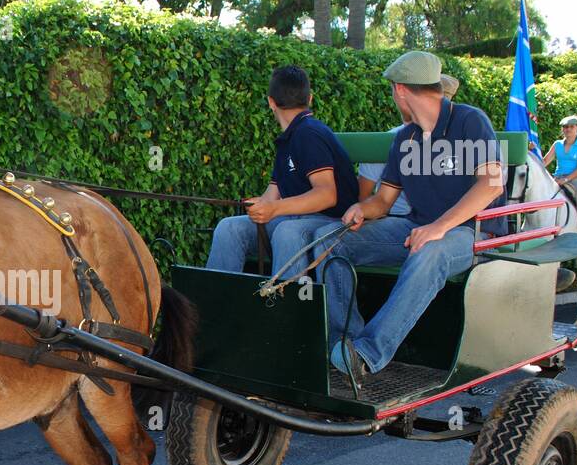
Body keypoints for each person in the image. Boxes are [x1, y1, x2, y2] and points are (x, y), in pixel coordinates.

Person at [313, 51, 506, 380]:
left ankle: (369, 353)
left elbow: (490, 186)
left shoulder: (469, 120)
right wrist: (362, 208)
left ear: (400, 90)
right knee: (328, 240)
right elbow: (384, 201)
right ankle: (344, 343)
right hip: (418, 226)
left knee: (429, 249)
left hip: (474, 234)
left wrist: (438, 227)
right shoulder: (405, 138)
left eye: (392, 91)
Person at [206, 65, 358, 278]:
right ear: (310, 99)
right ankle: (215, 305)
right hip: (296, 217)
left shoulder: (310, 134)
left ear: (271, 102)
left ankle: (285, 307)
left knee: (287, 232)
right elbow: (272, 194)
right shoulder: (287, 140)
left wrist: (275, 208)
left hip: (332, 221)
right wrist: (259, 206)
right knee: (229, 228)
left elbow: (327, 194)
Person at [355, 74, 459, 217]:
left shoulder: (462, 134)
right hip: (395, 220)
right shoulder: (390, 139)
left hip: (443, 224)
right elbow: (365, 198)